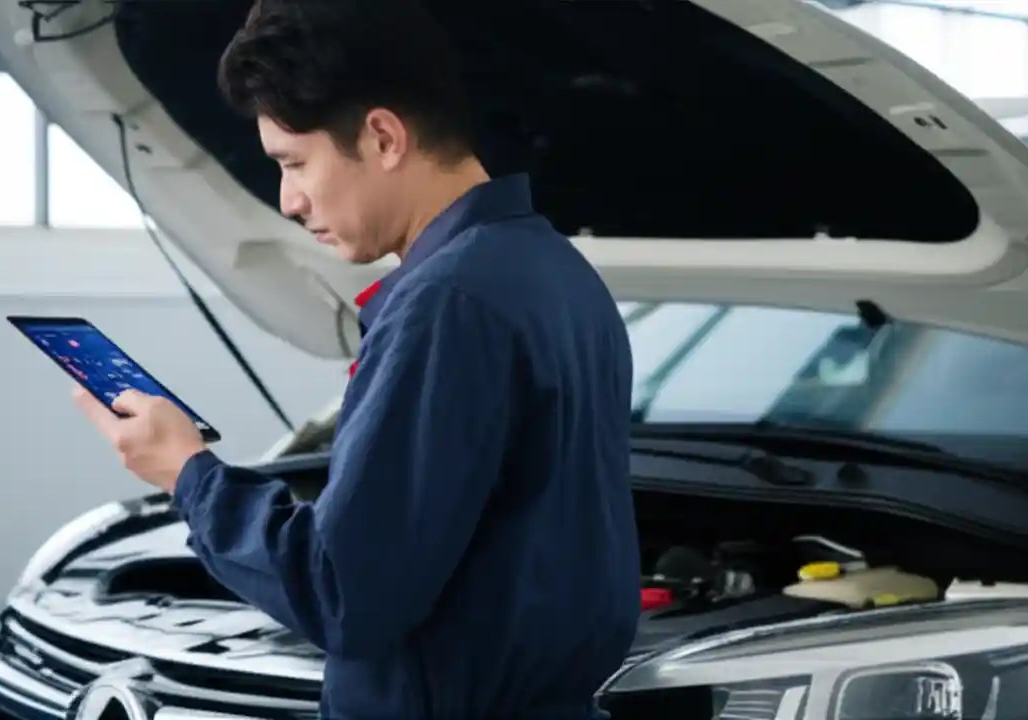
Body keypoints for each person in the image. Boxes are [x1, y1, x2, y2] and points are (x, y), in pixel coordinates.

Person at [71, 0, 640, 717]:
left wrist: (189, 474)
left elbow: (345, 592)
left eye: (294, 162)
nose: (288, 199)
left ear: (382, 137)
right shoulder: (554, 270)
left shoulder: (445, 303)